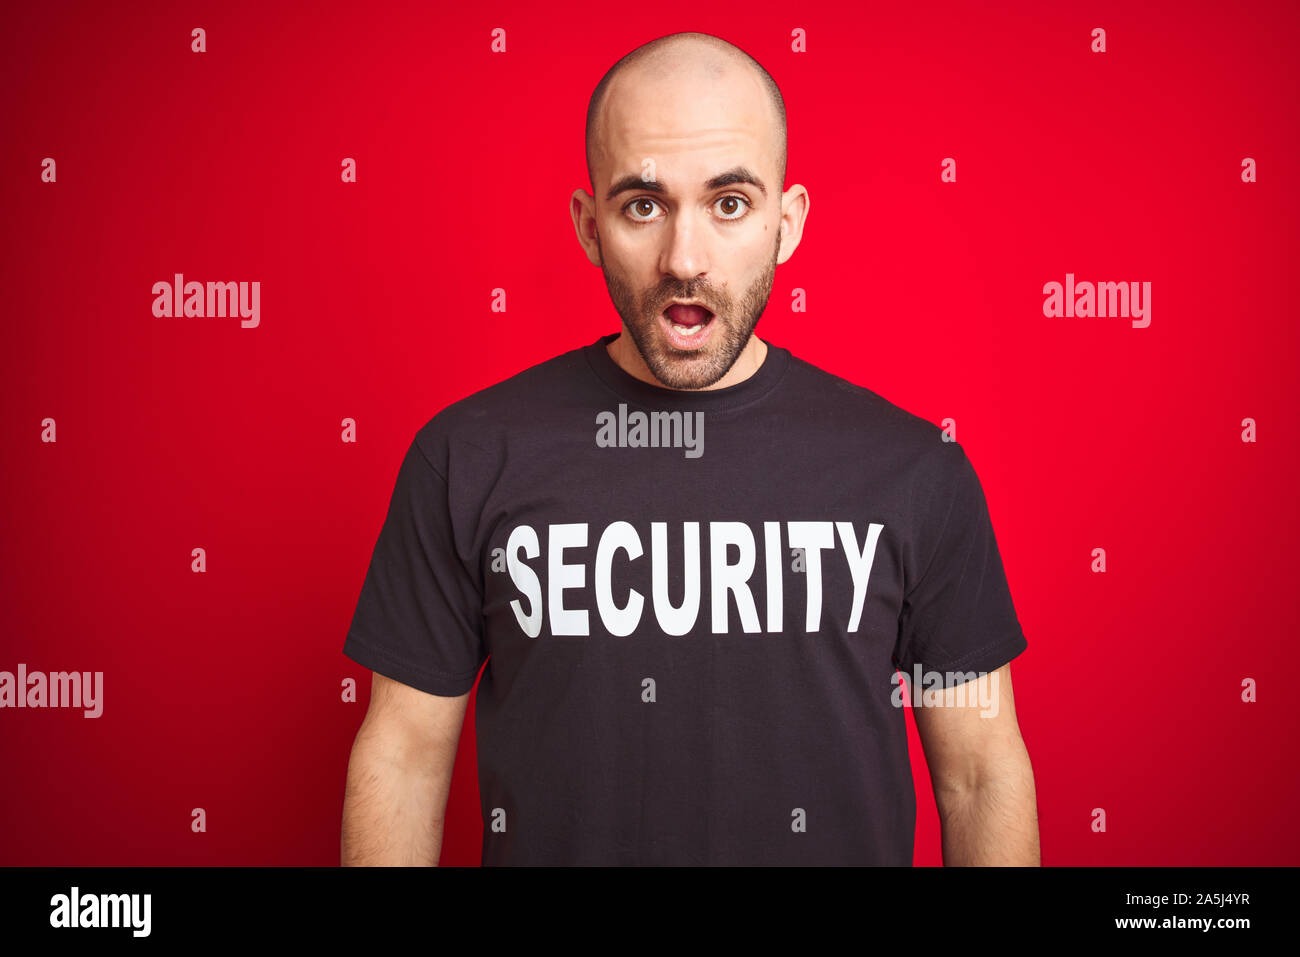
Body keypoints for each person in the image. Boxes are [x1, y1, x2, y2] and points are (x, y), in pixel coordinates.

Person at [340, 30, 1038, 866]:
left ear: (787, 224)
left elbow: (980, 775)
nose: (686, 259)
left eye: (729, 202)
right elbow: (405, 759)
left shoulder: (917, 472)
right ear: (589, 227)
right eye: (643, 204)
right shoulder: (466, 459)